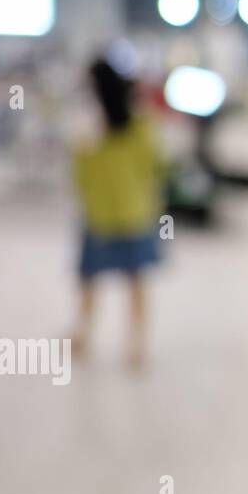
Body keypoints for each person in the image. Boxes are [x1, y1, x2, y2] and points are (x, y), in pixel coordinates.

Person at [72, 58, 166, 368]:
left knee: (90, 278)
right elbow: (155, 164)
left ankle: (83, 336)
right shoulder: (139, 122)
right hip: (135, 213)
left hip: (100, 216)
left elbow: (81, 170)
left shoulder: (93, 126)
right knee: (136, 280)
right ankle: (136, 346)